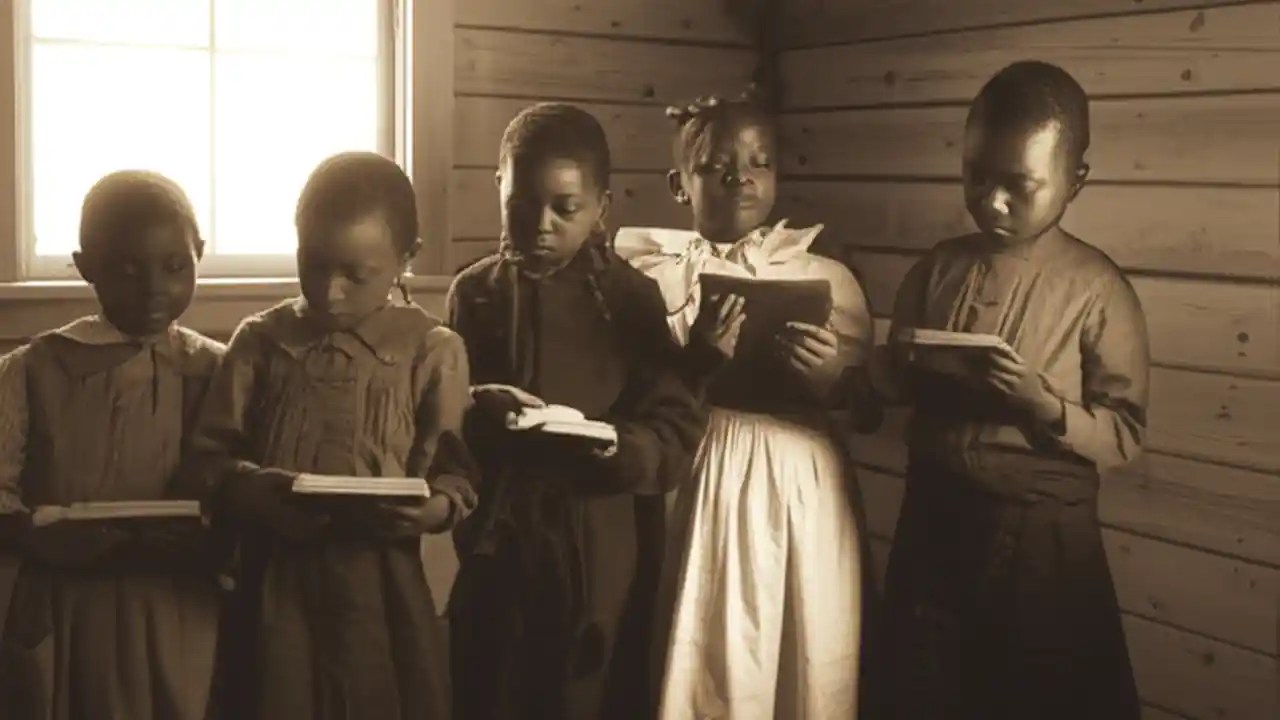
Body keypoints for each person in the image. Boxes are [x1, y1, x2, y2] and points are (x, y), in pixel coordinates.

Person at [873, 60, 1149, 720]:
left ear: (1074, 181)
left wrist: (1042, 405)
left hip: (1040, 545)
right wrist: (868, 369)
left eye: (1018, 185)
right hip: (934, 528)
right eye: (976, 176)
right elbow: (892, 381)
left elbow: (1124, 433)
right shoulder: (937, 268)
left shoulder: (1098, 288)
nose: (992, 200)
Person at [614, 89, 881, 719]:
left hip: (801, 481)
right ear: (679, 185)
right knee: (708, 638)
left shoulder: (824, 277)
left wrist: (833, 377)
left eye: (760, 162)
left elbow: (868, 409)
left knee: (801, 636)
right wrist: (698, 357)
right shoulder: (652, 275)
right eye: (716, 166)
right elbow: (632, 386)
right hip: (701, 466)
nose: (742, 178)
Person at [189, 152, 478, 720]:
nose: (329, 290)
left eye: (355, 274)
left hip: (382, 589)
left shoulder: (433, 350)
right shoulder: (260, 343)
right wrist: (249, 490)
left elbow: (456, 467)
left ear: (405, 259)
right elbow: (206, 459)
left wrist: (434, 510)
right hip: (273, 588)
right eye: (312, 264)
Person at [446, 102, 705, 720]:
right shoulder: (475, 293)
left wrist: (619, 447)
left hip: (597, 531)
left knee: (584, 689)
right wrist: (479, 408)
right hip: (503, 533)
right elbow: (445, 414)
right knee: (491, 679)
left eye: (565, 210)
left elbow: (671, 424)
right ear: (499, 189)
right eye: (519, 205)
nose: (540, 225)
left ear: (601, 210)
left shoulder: (630, 298)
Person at [0, 170, 225, 719]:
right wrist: (31, 536)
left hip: (182, 601)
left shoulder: (219, 369)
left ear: (199, 253)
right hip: (71, 600)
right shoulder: (34, 370)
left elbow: (239, 475)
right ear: (86, 268)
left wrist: (220, 534)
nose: (153, 287)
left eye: (174, 267)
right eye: (126, 269)